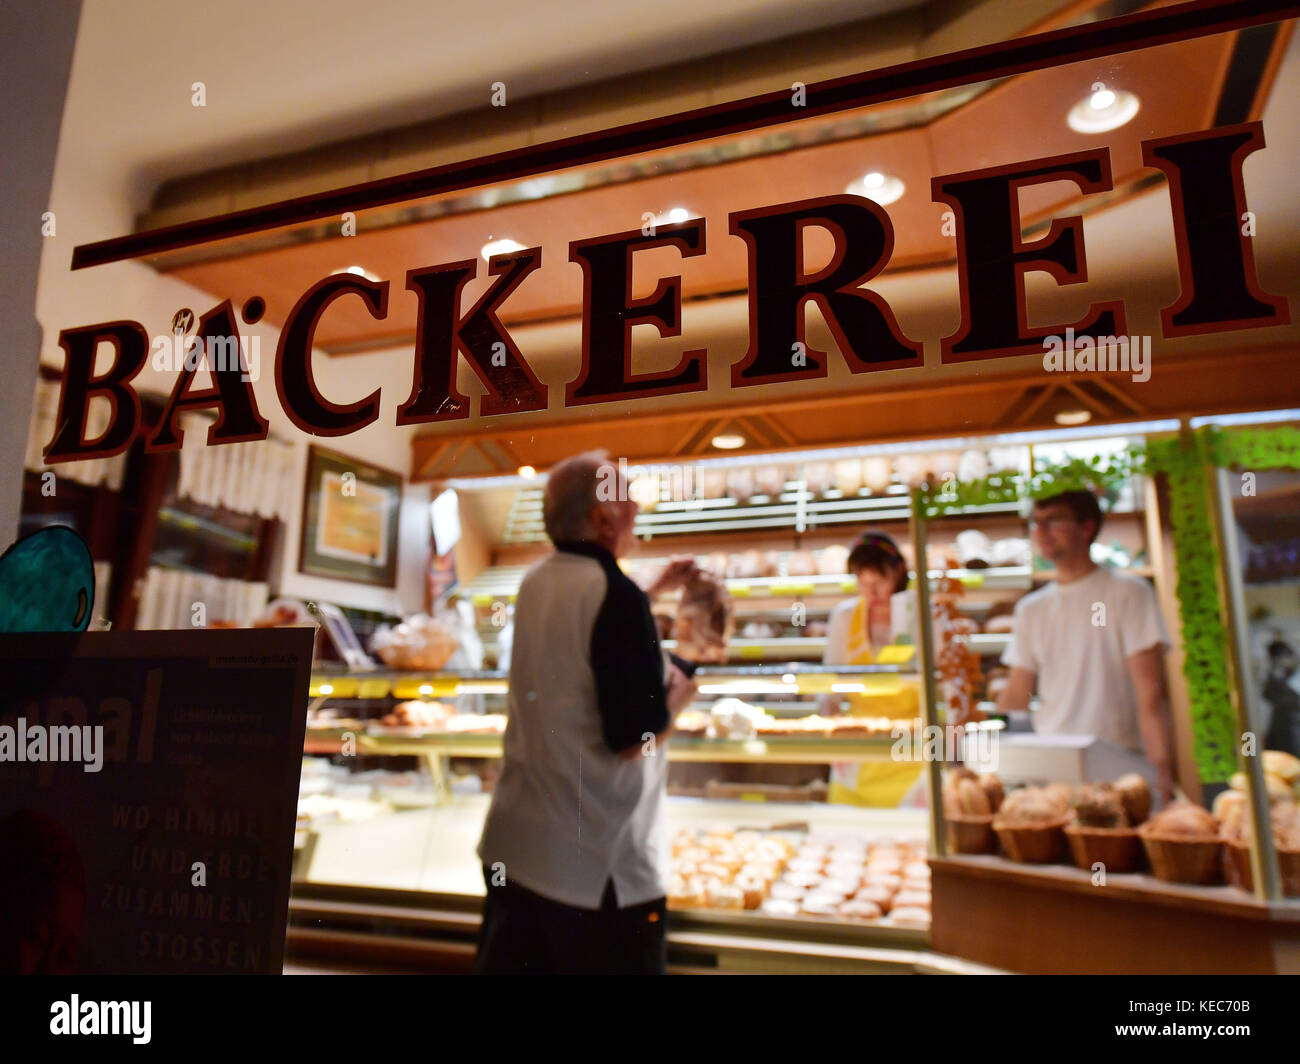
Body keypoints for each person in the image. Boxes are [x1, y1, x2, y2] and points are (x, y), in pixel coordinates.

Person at [475, 450, 697, 974]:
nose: (638, 507)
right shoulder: (617, 598)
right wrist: (677, 705)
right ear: (602, 518)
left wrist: (650, 590)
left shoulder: (534, 581)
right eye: (627, 497)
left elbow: (583, 629)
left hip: (517, 851)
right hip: (594, 874)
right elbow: (631, 739)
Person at [996, 490, 1176, 801]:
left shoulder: (1129, 593)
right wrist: (989, 753)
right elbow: (1017, 693)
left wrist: (1163, 773)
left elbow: (1151, 695)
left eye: (1054, 521)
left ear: (1087, 527)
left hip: (1120, 765)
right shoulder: (1031, 609)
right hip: (1052, 766)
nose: (1041, 532)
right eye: (1036, 522)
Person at [821, 532, 922, 806]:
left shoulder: (921, 616)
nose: (870, 594)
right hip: (857, 750)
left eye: (878, 583)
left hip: (911, 748)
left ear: (898, 570)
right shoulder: (845, 617)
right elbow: (828, 686)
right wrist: (830, 732)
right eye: (862, 584)